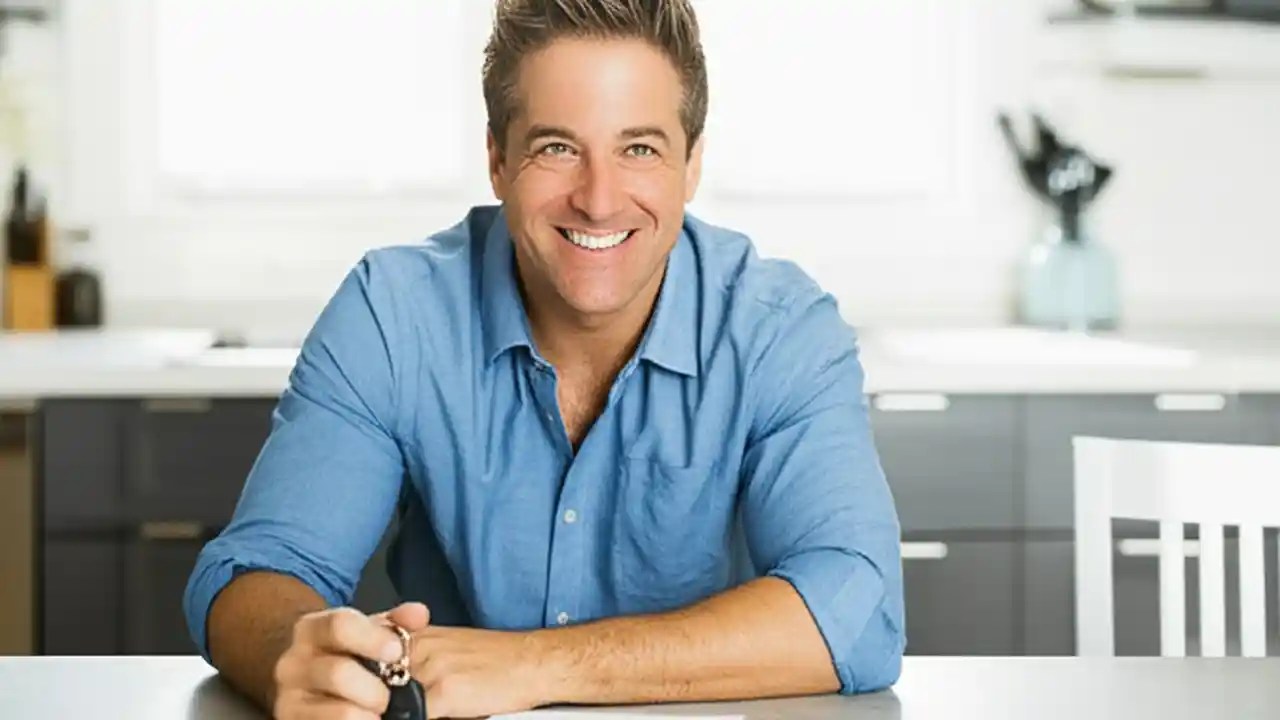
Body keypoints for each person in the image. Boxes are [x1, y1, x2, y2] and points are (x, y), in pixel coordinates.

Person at [184, 1, 905, 717]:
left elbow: (856, 612)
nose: (597, 199)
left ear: (691, 165)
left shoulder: (779, 331)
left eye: (640, 149)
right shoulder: (393, 312)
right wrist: (295, 653)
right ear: (498, 160)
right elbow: (254, 572)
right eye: (557, 147)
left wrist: (534, 666)